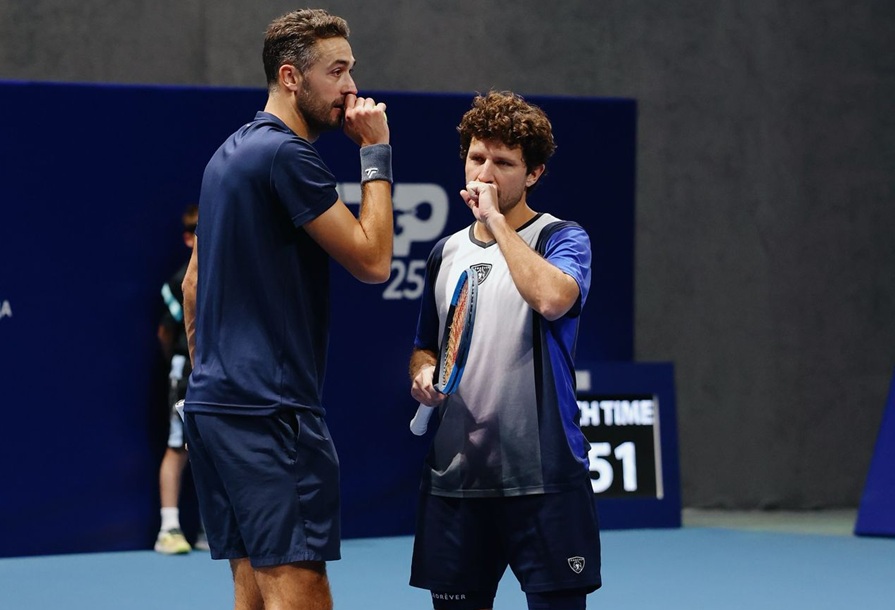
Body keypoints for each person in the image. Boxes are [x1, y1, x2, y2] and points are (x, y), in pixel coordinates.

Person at [181, 8, 393, 610]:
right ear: (292, 77)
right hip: (270, 412)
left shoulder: (227, 156)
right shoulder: (287, 156)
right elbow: (373, 260)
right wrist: (375, 154)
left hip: (216, 407)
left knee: (253, 586)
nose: (352, 87)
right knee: (299, 588)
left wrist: (215, 374)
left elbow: (195, 285)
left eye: (351, 70)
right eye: (338, 71)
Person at [408, 91, 602, 610]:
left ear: (533, 173)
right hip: (457, 481)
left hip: (545, 480)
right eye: (477, 158)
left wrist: (495, 221)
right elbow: (426, 346)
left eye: (504, 162)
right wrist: (425, 375)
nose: (485, 173)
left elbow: (552, 298)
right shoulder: (444, 253)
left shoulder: (562, 238)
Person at [154, 203, 208, 555]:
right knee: (178, 447)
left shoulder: (226, 275)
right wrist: (182, 363)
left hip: (217, 372)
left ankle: (211, 531)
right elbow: (165, 332)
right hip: (185, 371)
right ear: (189, 238)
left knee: (216, 450)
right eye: (197, 230)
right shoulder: (177, 283)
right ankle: (169, 528)